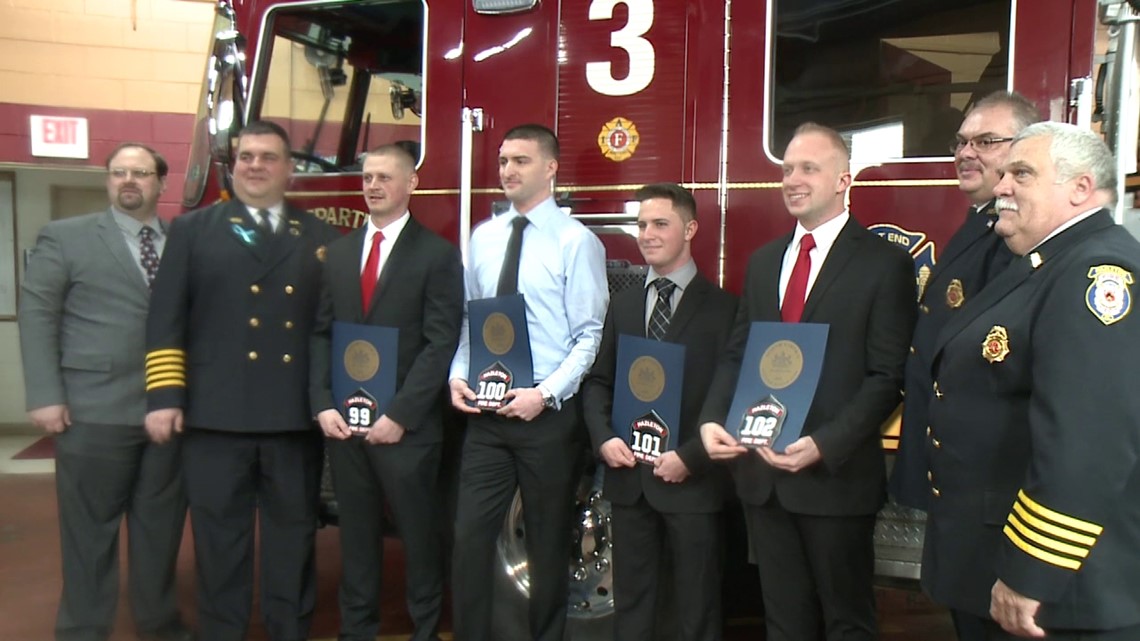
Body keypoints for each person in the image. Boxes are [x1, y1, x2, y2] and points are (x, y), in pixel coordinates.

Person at [699, 123, 917, 641]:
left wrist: (823, 444)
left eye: (808, 169)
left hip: (834, 481)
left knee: (848, 623)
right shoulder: (763, 262)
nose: (792, 179)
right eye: (787, 169)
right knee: (784, 623)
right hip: (763, 481)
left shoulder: (884, 265)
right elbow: (737, 353)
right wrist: (712, 419)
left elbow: (887, 377)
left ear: (844, 180)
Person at [923, 122, 1140, 640]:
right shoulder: (1043, 265)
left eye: (1022, 173)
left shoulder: (1097, 272)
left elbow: (1086, 444)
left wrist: (1032, 572)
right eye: (1005, 174)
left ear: (1081, 188)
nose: (1001, 186)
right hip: (990, 561)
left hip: (1051, 595)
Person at [143, 121, 339, 641]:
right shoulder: (193, 230)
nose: (255, 165)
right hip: (214, 415)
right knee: (218, 543)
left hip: (293, 418)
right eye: (246, 156)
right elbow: (166, 319)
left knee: (292, 542)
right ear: (235, 165)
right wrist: (164, 396)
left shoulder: (320, 238)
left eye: (268, 157)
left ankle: (288, 631)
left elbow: (331, 330)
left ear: (289, 170)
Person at [18, 143, 190, 641]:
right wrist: (45, 394)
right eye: (119, 173)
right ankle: (82, 630)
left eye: (140, 172)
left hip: (167, 411)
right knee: (89, 536)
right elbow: (38, 316)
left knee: (159, 533)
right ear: (108, 181)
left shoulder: (182, 241)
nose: (128, 180)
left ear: (161, 182)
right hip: (93, 411)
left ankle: (159, 626)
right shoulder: (65, 237)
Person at [448, 124, 608, 641]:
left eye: (519, 160)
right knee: (469, 540)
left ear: (551, 168)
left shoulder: (576, 242)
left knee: (547, 543)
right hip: (487, 418)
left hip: (547, 419)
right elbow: (474, 322)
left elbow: (589, 336)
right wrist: (457, 375)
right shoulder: (484, 238)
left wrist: (544, 394)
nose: (507, 171)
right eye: (502, 162)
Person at [309, 144, 463, 641]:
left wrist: (400, 414)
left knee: (420, 540)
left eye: (384, 177)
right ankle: (357, 630)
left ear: (411, 184)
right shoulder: (336, 255)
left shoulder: (437, 255)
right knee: (356, 540)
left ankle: (424, 630)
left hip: (407, 430)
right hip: (345, 427)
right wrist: (322, 403)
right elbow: (320, 334)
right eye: (367, 177)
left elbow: (442, 342)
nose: (373, 185)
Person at [581, 183, 736, 641]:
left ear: (689, 228)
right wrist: (603, 438)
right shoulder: (624, 304)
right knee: (632, 607)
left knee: (697, 609)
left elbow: (729, 394)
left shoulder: (726, 309)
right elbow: (599, 382)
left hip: (693, 482)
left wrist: (691, 456)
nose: (646, 234)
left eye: (660, 224)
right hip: (630, 483)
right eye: (641, 224)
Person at [890, 91, 1041, 521]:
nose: (966, 152)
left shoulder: (1014, 233)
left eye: (986, 141)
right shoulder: (980, 221)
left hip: (979, 479)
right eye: (961, 141)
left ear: (1026, 148)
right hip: (951, 468)